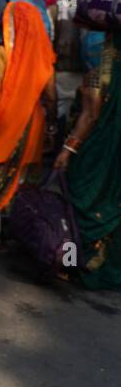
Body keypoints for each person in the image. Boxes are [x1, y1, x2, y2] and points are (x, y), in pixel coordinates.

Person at [56, 31, 121, 289]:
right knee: (112, 210)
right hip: (116, 162)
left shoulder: (97, 77)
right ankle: (108, 267)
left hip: (93, 157)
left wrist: (66, 151)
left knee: (78, 208)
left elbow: (89, 117)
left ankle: (72, 266)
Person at [0, 0, 56, 208]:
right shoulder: (45, 56)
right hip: (33, 123)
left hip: (4, 121)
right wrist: (51, 125)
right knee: (21, 177)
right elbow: (51, 97)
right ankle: (16, 222)